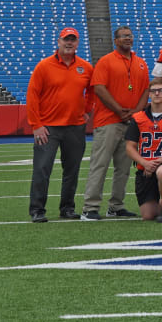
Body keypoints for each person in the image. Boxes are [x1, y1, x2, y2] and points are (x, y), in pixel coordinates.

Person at [82, 25, 149, 220]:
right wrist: (119, 110)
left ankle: (116, 205)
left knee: (124, 167)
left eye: (130, 36)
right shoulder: (105, 61)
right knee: (100, 164)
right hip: (108, 120)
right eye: (124, 36)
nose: (128, 39)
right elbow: (99, 89)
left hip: (132, 122)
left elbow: (146, 89)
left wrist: (136, 112)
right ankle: (90, 207)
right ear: (115, 40)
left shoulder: (141, 63)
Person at [27, 27, 94, 223]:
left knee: (72, 170)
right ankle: (37, 209)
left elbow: (92, 90)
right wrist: (36, 124)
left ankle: (67, 207)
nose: (69, 43)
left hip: (75, 126)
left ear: (77, 43)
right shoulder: (44, 66)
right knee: (42, 169)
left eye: (73, 40)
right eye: (66, 39)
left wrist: (87, 110)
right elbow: (32, 96)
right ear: (59, 41)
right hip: (48, 127)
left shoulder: (85, 67)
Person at [124, 82, 162, 221]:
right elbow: (130, 146)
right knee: (148, 216)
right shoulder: (138, 117)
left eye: (160, 90)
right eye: (154, 91)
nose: (157, 93)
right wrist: (145, 163)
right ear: (149, 94)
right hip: (145, 167)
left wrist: (158, 161)